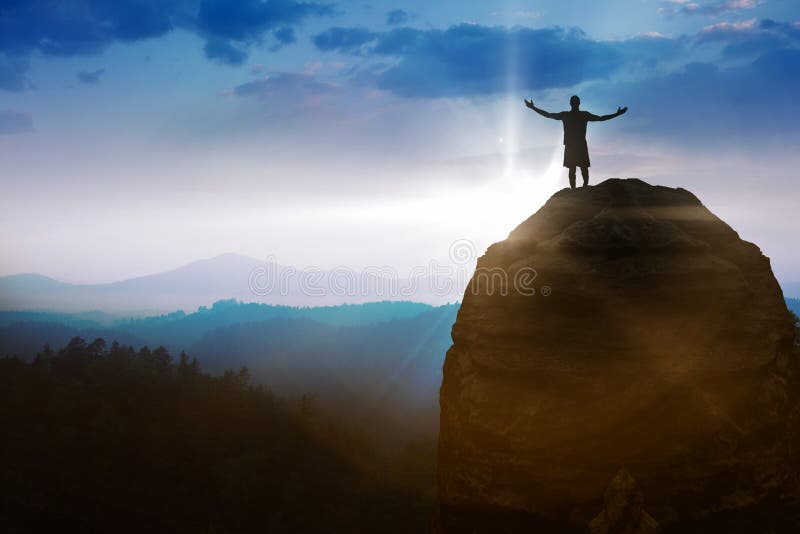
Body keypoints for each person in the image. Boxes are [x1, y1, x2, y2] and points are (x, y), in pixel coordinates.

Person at [524, 95, 627, 189]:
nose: (575, 103)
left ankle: (580, 187)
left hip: (575, 145)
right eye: (575, 102)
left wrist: (533, 108)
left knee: (578, 168)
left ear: (572, 103)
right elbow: (601, 118)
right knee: (578, 168)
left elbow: (548, 115)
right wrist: (617, 114)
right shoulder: (577, 115)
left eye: (575, 102)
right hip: (574, 145)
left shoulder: (571, 115)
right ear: (577, 103)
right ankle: (579, 188)